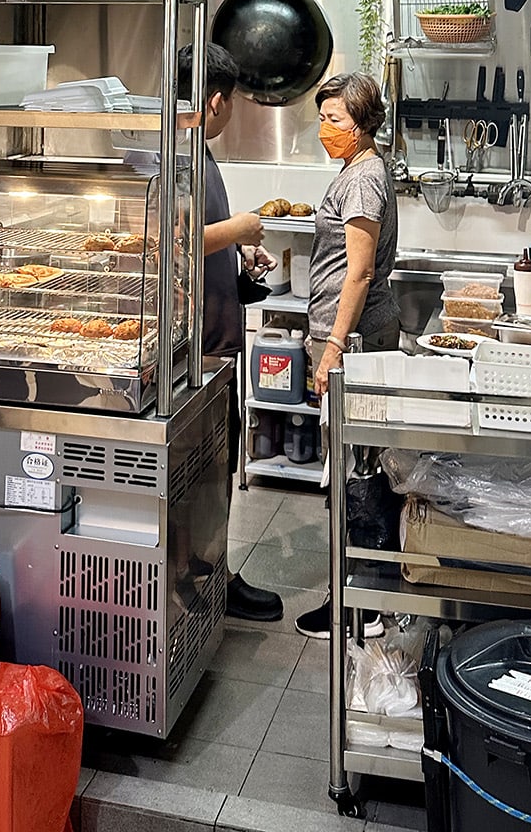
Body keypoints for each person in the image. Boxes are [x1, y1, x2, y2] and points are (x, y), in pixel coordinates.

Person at [178, 43, 284, 623]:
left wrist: (240, 251)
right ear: (215, 100)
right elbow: (174, 243)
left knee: (216, 470)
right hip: (196, 347)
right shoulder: (181, 155)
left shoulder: (203, 153)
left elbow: (202, 236)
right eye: (232, 103)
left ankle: (213, 574)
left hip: (216, 341)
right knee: (202, 474)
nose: (231, 114)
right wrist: (239, 226)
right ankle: (199, 584)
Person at [294, 71, 399, 639]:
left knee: (358, 470)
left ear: (362, 123)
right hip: (352, 336)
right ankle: (363, 597)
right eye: (323, 117)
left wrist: (332, 346)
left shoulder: (361, 180)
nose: (325, 128)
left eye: (334, 119)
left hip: (352, 341)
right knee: (358, 464)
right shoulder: (360, 169)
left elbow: (358, 272)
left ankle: (359, 608)